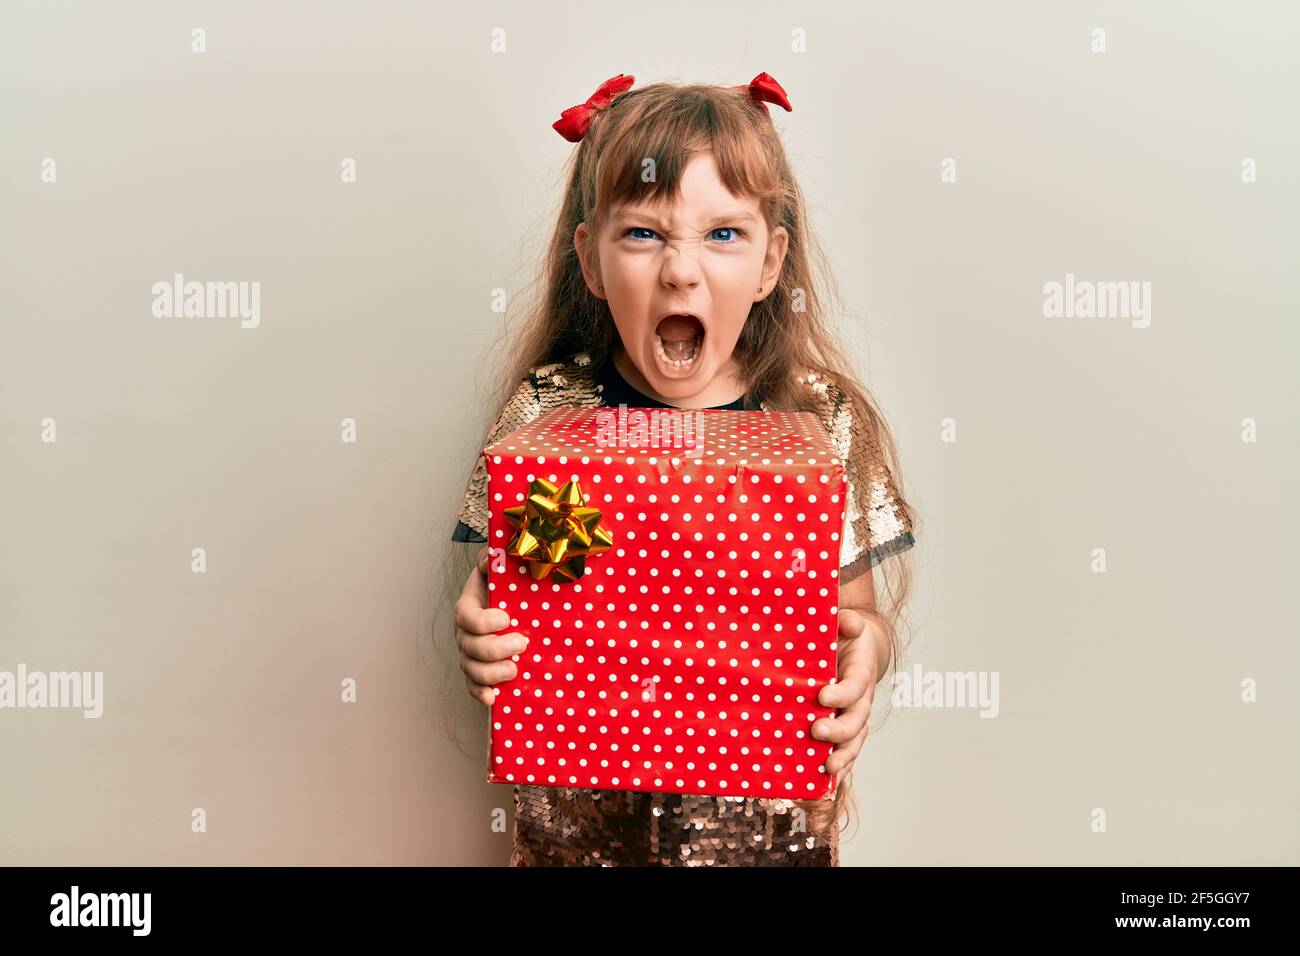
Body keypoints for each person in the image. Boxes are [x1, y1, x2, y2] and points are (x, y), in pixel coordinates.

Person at [449, 72, 917, 866]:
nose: (680, 271)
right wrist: (484, 622)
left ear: (771, 263)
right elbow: (519, 585)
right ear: (590, 262)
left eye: (722, 235)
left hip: (764, 830)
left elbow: (858, 616)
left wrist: (865, 651)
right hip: (581, 833)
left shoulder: (818, 419)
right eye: (643, 234)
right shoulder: (553, 414)